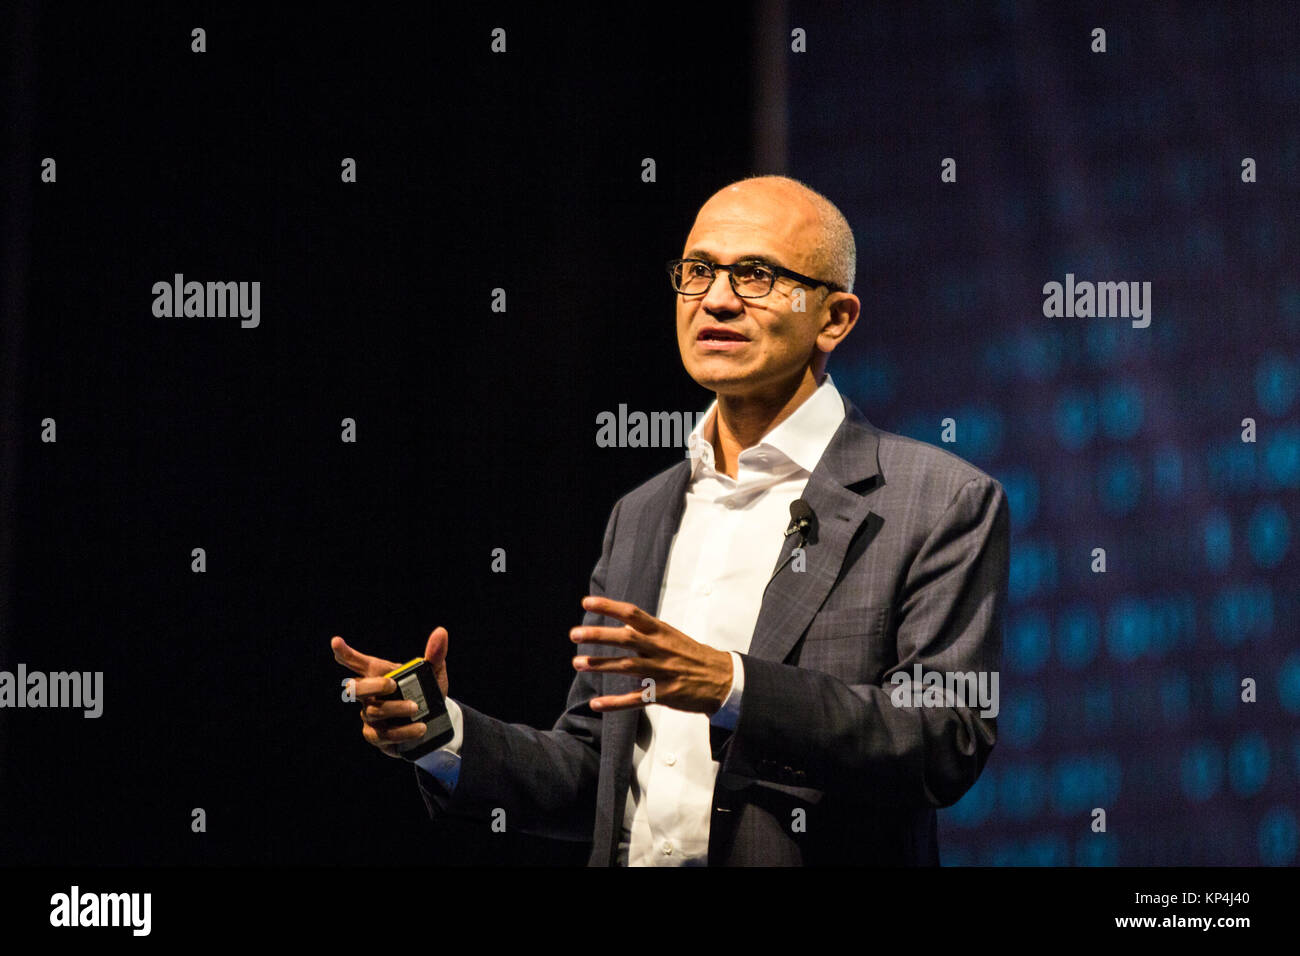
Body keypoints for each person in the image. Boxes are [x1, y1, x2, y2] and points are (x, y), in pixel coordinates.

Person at [332, 175, 1009, 865]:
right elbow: (593, 774)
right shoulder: (643, 512)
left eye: (755, 274)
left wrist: (732, 686)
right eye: (698, 271)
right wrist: (443, 736)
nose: (716, 298)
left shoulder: (938, 501)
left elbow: (942, 738)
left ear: (833, 318)